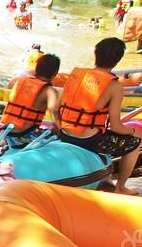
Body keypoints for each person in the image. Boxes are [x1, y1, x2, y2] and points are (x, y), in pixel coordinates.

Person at [57, 37, 141, 195]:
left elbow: (58, 106)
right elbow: (116, 126)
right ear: (117, 60)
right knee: (135, 142)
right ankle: (120, 187)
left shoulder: (76, 76)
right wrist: (132, 132)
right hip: (88, 139)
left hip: (65, 133)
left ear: (96, 53)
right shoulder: (114, 86)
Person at [2, 53, 62, 147]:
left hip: (6, 133)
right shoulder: (49, 91)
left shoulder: (19, 81)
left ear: (36, 69)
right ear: (55, 74)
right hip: (24, 136)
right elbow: (55, 117)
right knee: (56, 138)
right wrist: (59, 134)